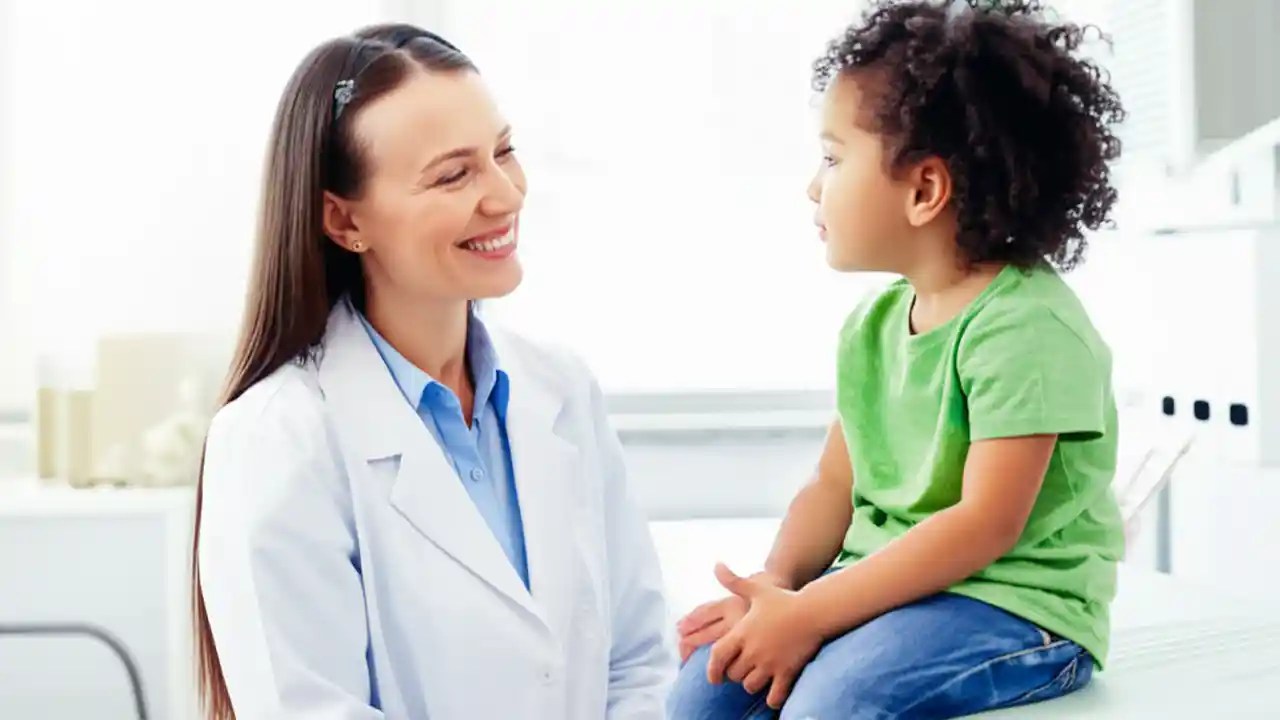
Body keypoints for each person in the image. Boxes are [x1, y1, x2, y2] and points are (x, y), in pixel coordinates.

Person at [192, 24, 673, 720]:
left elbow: (638, 660)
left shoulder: (560, 388)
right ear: (343, 220)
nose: (505, 195)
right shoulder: (276, 437)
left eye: (504, 152)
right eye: (454, 175)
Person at [668, 1, 1126, 718]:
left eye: (832, 157)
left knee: (831, 704)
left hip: (1012, 606)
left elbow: (985, 525)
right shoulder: (872, 327)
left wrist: (816, 614)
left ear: (925, 190)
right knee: (708, 692)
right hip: (896, 586)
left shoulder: (1027, 328)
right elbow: (831, 486)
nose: (813, 186)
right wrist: (779, 588)